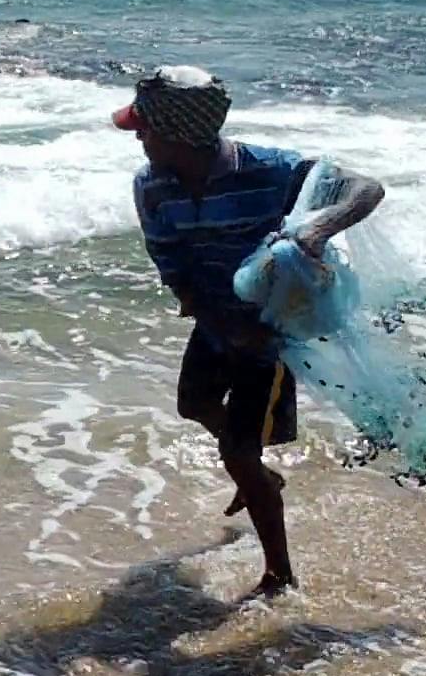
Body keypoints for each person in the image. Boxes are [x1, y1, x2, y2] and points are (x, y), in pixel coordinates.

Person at [116, 66, 384, 603]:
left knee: (239, 452)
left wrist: (317, 227)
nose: (138, 136)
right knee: (192, 405)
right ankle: (263, 478)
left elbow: (365, 188)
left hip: (271, 336)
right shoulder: (152, 187)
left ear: (177, 135)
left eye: (144, 127)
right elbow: (174, 267)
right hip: (217, 322)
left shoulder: (272, 169)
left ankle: (279, 574)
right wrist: (214, 319)